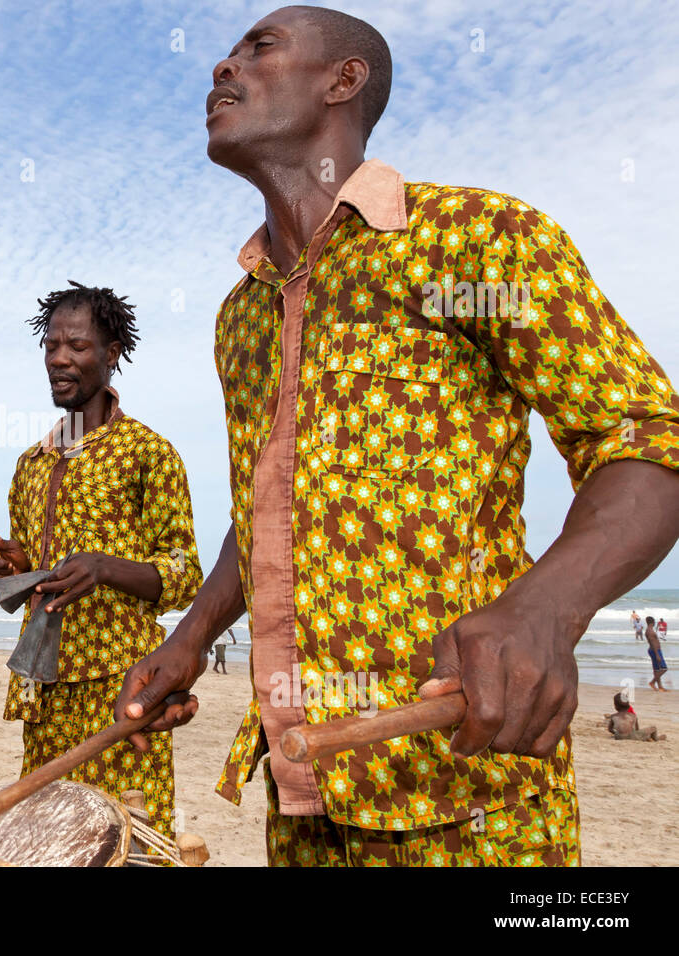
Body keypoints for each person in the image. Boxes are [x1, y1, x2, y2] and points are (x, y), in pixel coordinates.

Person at [115, 6, 679, 867]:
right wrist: (189, 638)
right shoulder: (241, 316)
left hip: (464, 786)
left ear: (344, 81)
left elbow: (642, 436)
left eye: (258, 48)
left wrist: (546, 608)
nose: (221, 68)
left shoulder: (476, 240)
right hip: (301, 789)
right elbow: (267, 507)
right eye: (225, 53)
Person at [0, 282, 202, 838]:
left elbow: (183, 574)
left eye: (76, 346)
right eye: (51, 345)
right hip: (43, 684)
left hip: (123, 687)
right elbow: (38, 569)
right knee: (50, 841)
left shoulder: (149, 453)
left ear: (112, 354)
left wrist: (105, 567)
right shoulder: (30, 464)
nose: (58, 358)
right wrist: (14, 566)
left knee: (129, 839)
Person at [646, 616, 668, 691]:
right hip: (655, 651)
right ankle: (652, 682)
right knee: (664, 668)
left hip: (653, 650)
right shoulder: (650, 631)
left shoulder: (649, 630)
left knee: (657, 670)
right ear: (652, 622)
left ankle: (660, 686)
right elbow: (653, 643)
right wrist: (657, 654)